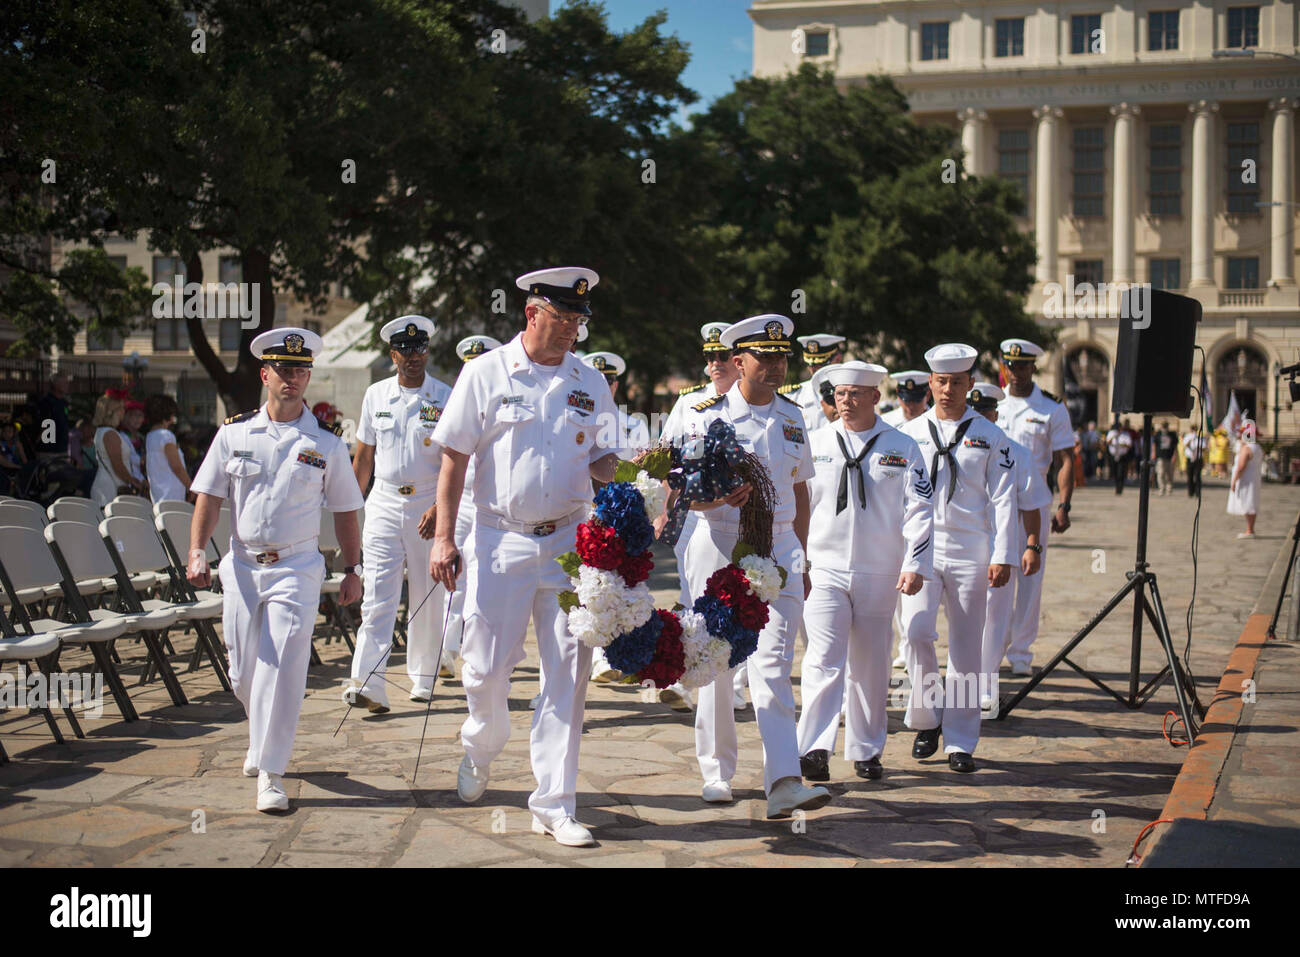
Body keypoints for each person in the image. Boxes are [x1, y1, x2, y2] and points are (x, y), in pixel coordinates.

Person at [429, 267, 619, 848]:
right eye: (563, 319)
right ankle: (481, 740)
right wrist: (443, 536)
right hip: (498, 539)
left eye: (579, 322)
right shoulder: (485, 373)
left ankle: (554, 804)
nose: (571, 332)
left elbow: (606, 459)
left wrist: (637, 494)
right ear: (532, 313)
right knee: (485, 668)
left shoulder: (591, 382)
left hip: (567, 542)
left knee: (569, 674)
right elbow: (454, 459)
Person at [186, 328, 364, 812]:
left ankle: (271, 772)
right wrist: (196, 551)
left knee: (282, 666)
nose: (294, 379)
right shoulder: (234, 432)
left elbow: (347, 509)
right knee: (244, 673)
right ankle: (259, 734)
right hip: (242, 565)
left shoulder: (325, 444)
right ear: (265, 374)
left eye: (302, 370)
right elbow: (210, 495)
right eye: (285, 370)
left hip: (298, 566)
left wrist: (353, 568)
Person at [665, 313, 832, 818]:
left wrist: (799, 557)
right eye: (766, 357)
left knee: (774, 663)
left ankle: (783, 780)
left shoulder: (793, 416)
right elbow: (675, 491)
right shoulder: (702, 415)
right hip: (718, 544)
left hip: (779, 549)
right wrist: (713, 498)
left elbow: (800, 489)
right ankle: (717, 770)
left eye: (782, 357)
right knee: (716, 660)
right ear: (738, 361)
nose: (777, 366)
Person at [796, 361, 932, 782]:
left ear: (875, 396)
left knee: (871, 665)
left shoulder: (903, 446)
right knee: (822, 660)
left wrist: (916, 562)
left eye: (856, 394)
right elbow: (801, 506)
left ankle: (867, 749)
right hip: (824, 567)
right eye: (840, 394)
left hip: (880, 570)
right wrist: (796, 558)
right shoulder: (814, 442)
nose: (847, 401)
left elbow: (920, 509)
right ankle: (814, 748)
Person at [896, 343, 1016, 774]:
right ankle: (928, 717)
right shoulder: (907, 435)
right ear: (931, 383)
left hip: (971, 551)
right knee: (915, 633)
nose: (948, 390)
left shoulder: (990, 436)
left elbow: (1004, 500)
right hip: (922, 551)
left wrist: (1004, 554)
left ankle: (961, 741)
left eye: (957, 382)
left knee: (967, 648)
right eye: (941, 382)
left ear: (970, 384)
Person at [344, 315, 453, 711]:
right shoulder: (375, 395)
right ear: (393, 355)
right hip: (385, 502)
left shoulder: (445, 396)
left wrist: (440, 507)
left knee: (427, 594)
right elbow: (363, 460)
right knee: (377, 596)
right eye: (406, 351)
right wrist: (349, 510)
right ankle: (368, 682)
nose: (414, 357)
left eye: (420, 349)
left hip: (428, 500)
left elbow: (456, 461)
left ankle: (423, 677)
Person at [658, 322, 745, 713]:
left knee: (742, 601)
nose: (715, 363)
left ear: (739, 359)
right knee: (695, 599)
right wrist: (663, 511)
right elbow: (667, 459)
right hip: (695, 517)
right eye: (709, 356)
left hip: (744, 518)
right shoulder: (688, 403)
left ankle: (736, 683)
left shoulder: (754, 403)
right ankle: (689, 678)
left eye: (723, 356)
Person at [994, 339, 1075, 677]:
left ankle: (1021, 653)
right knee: (995, 579)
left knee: (1029, 580)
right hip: (994, 505)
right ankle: (991, 648)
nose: (1015, 372)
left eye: (1023, 365)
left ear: (1033, 367)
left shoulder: (1051, 409)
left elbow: (1065, 458)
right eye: (1010, 365)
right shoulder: (989, 403)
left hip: (1034, 504)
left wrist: (1064, 505)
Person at [971, 383, 1046, 710]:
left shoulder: (1017, 453)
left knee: (995, 619)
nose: (980, 419)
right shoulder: (953, 447)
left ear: (996, 415)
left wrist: (1033, 546)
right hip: (960, 547)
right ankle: (956, 687)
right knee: (961, 621)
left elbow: (1031, 504)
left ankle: (985, 687)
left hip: (1002, 547)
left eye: (985, 413)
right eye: (975, 413)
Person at [438, 334, 503, 680]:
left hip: (488, 507)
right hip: (458, 502)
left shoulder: (500, 401)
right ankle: (446, 650)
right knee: (452, 580)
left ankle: (477, 654)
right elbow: (443, 462)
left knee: (480, 582)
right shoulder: (455, 402)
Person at [882, 369, 932, 668]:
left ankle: (909, 644)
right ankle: (902, 645)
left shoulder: (930, 424)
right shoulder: (887, 423)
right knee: (893, 586)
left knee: (912, 582)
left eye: (915, 399)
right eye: (904, 398)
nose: (909, 405)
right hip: (892, 513)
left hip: (918, 508)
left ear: (925, 396)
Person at [781, 334, 846, 431]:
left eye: (821, 363)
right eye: (810, 363)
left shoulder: (852, 394)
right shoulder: (792, 398)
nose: (814, 368)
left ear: (838, 359)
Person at [90, 392, 145, 505]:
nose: (123, 412)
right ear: (112, 412)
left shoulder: (104, 431)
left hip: (108, 484)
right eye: (121, 409)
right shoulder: (110, 433)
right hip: (109, 487)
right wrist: (132, 481)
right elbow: (117, 464)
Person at [144, 395, 192, 504]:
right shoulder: (166, 435)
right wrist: (190, 486)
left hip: (158, 493)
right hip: (172, 493)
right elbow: (177, 467)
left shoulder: (150, 437)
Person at [1228, 420, 1262, 538]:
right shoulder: (1257, 447)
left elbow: (1241, 466)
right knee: (1252, 501)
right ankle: (1250, 528)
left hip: (1246, 479)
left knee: (1247, 502)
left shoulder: (1247, 448)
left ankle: (1249, 529)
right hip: (1254, 477)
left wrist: (1234, 480)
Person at [35, 372, 71, 460]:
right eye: (64, 383)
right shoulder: (46, 403)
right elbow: (43, 426)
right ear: (55, 385)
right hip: (48, 451)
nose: (67, 385)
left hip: (62, 450)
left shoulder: (64, 403)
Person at [1105, 418, 1133, 494]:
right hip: (1113, 455)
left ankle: (1120, 488)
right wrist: (1114, 436)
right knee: (1115, 472)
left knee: (1121, 472)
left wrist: (1122, 445)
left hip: (1122, 456)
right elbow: (1108, 442)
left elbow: (1129, 445)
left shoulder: (1125, 434)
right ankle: (1117, 486)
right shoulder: (1111, 433)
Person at [1153, 420, 1177, 495]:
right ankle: (1161, 488)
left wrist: (1174, 455)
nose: (1164, 427)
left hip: (1169, 456)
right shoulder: (1158, 434)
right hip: (1160, 456)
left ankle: (1169, 489)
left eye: (1165, 425)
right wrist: (1154, 453)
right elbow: (1155, 444)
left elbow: (1175, 446)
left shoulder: (1172, 435)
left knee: (1169, 474)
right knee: (1160, 473)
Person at [1183, 424, 1206, 497]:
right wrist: (1190, 440)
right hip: (1190, 458)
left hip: (1198, 458)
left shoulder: (1200, 437)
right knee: (1190, 476)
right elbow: (1185, 445)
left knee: (1198, 476)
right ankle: (1190, 492)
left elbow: (1204, 447)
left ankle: (1197, 492)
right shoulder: (1187, 436)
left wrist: (1198, 445)